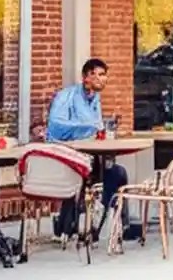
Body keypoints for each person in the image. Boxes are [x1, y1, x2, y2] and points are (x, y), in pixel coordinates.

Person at [46, 59, 128, 240]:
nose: (101, 79)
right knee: (97, 172)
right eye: (96, 74)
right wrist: (89, 127)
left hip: (87, 155)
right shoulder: (66, 96)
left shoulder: (95, 99)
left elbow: (95, 128)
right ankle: (74, 223)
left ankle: (112, 223)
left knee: (117, 173)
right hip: (63, 157)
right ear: (85, 77)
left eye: (104, 75)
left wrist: (102, 128)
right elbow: (56, 127)